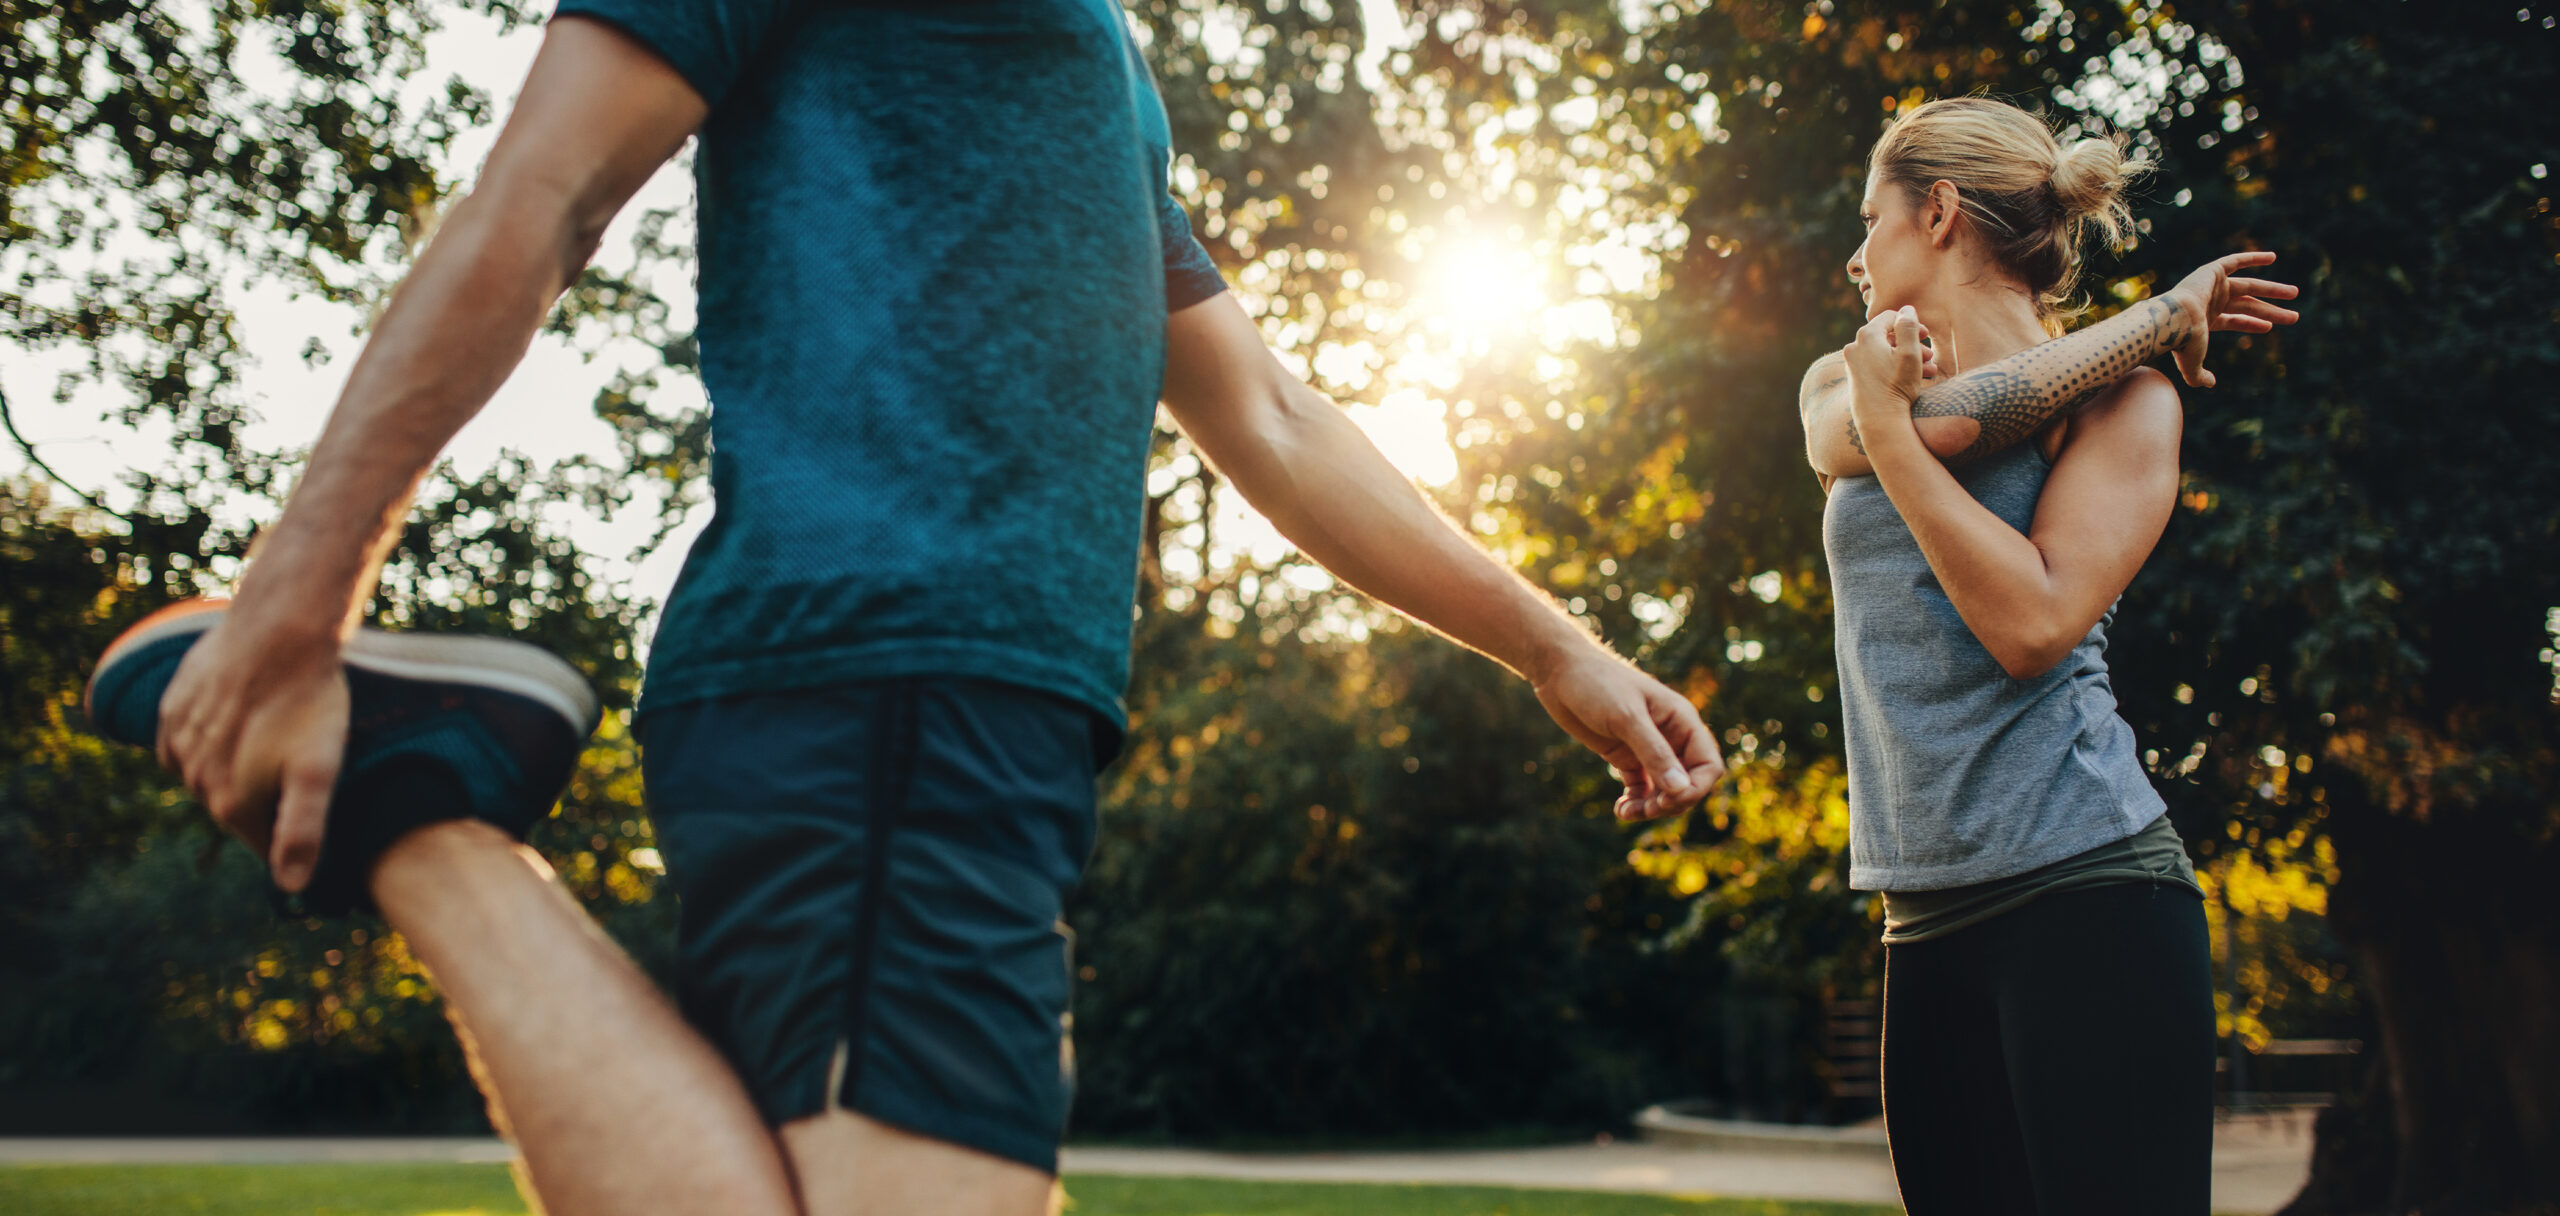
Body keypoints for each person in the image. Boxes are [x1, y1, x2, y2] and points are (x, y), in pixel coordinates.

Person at [82, 6, 1727, 1216]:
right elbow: (549, 191)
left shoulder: (1090, 55)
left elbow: (1270, 416)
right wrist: (295, 602)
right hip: (886, 669)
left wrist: (1554, 645)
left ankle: (419, 801)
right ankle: (419, 818)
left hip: (971, 705)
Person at [1796, 97, 2301, 1213]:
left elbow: (2030, 626)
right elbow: (1916, 425)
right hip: (1923, 918)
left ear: (1937, 212)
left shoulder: (2132, 402)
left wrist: (1894, 435)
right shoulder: (1841, 380)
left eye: (1871, 218)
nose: (1853, 254)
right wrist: (2157, 312)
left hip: (2089, 889)